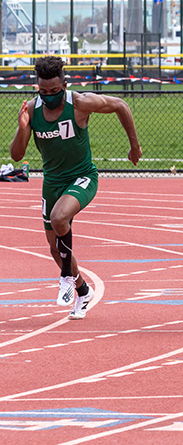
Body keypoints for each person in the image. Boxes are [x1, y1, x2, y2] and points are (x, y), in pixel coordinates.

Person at [8, 56, 142, 320]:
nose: (49, 97)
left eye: (55, 92)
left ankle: (66, 277)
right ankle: (83, 291)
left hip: (82, 177)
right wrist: (22, 128)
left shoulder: (79, 103)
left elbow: (120, 105)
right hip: (52, 182)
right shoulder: (33, 110)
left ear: (65, 86)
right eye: (43, 92)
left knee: (60, 218)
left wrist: (134, 145)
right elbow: (16, 155)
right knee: (55, 250)